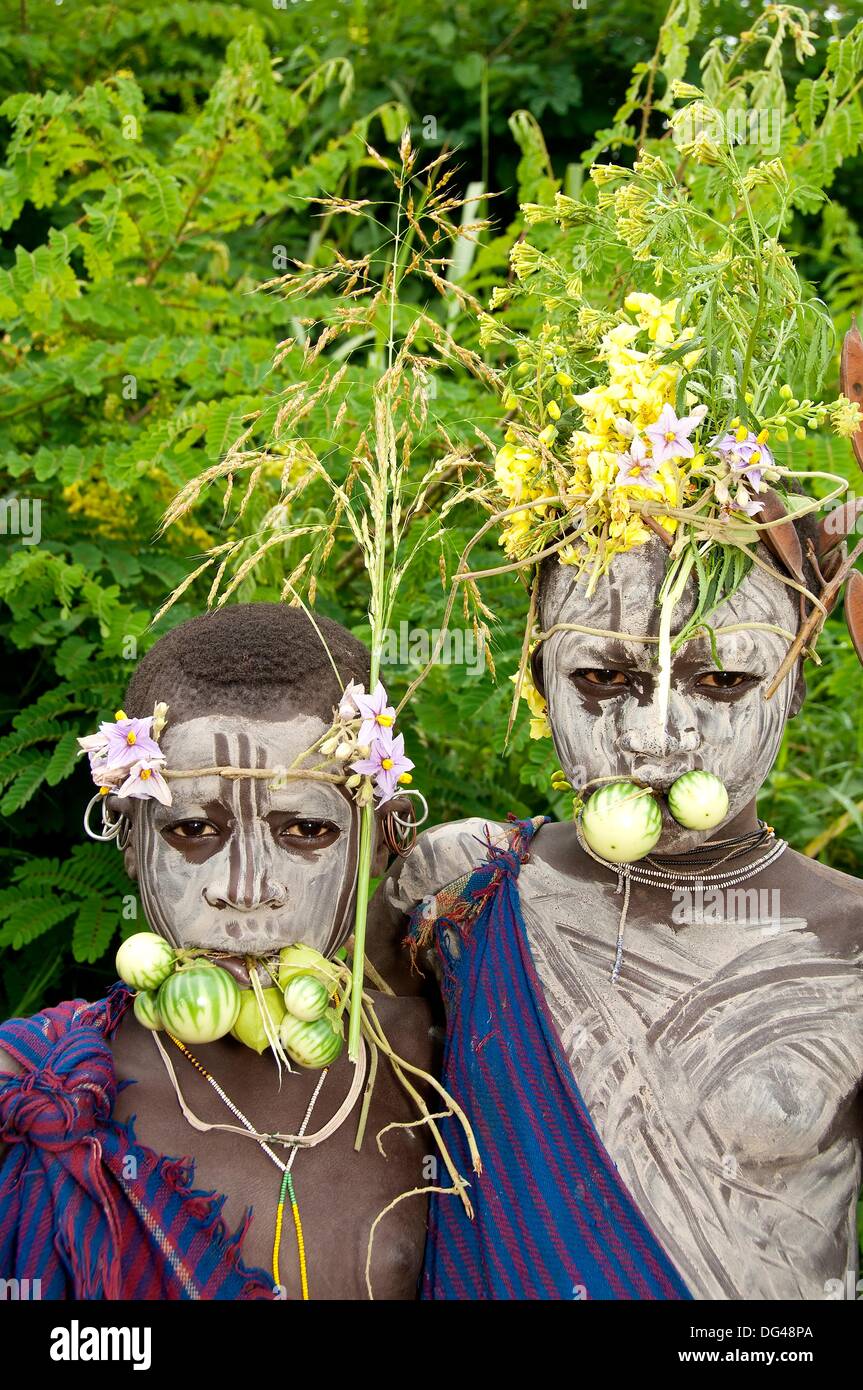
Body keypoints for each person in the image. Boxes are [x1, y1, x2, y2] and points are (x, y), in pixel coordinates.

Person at [368, 521, 863, 1301]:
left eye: (722, 680)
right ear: (538, 678)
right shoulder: (459, 886)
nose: (654, 739)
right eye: (602, 679)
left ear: (795, 679)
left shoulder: (852, 943)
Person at [0, 604, 439, 1300]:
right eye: (194, 829)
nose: (245, 891)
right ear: (128, 841)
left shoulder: (446, 1068)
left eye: (304, 829)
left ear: (384, 841)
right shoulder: (31, 1087)